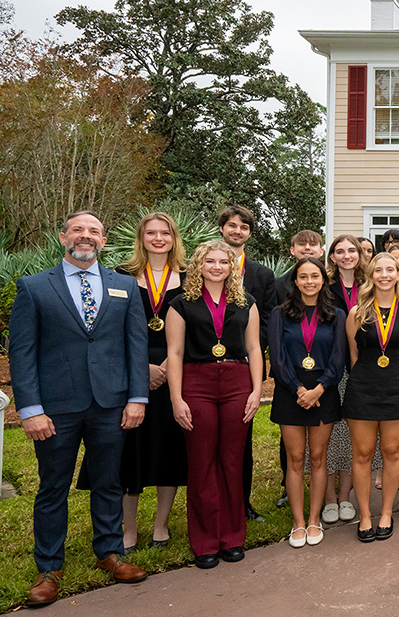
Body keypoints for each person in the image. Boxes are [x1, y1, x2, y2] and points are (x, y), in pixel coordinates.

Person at [11, 211, 151, 606]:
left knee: (107, 481)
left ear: (103, 241)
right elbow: (22, 354)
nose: (85, 236)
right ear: (63, 237)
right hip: (56, 408)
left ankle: (109, 552)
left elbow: (136, 346)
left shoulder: (124, 286)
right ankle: (50, 568)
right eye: (78, 230)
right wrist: (31, 409)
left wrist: (137, 398)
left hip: (111, 403)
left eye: (93, 231)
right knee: (53, 487)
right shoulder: (35, 287)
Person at [75, 212, 188, 554]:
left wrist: (167, 367)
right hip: (129, 373)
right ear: (141, 238)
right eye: (151, 233)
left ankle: (161, 525)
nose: (158, 238)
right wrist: (144, 369)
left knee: (169, 450)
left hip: (176, 371)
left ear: (173, 238)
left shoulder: (187, 278)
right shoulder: (119, 277)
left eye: (164, 233)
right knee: (131, 454)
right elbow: (110, 331)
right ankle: (130, 529)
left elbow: (194, 328)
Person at [166, 239, 263, 568]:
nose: (218, 266)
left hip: (237, 383)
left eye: (224, 261)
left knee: (233, 462)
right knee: (202, 462)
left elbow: (254, 349)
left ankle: (233, 537)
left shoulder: (246, 302)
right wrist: (176, 398)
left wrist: (256, 390)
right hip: (197, 383)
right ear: (199, 265)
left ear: (232, 266)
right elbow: (175, 353)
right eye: (211, 261)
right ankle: (206, 542)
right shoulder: (181, 304)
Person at [268, 257, 346, 548]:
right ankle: (298, 522)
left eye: (315, 276)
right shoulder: (279, 314)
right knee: (296, 459)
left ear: (323, 280)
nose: (309, 281)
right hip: (291, 392)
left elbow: (339, 359)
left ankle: (314, 519)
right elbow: (277, 358)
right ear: (295, 281)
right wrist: (299, 388)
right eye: (303, 277)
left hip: (323, 392)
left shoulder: (336, 315)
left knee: (317, 458)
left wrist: (319, 389)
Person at [342, 252, 399, 543]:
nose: (384, 275)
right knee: (362, 454)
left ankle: (386, 512)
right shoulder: (357, 312)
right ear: (371, 275)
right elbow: (353, 355)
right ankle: (364, 515)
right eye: (379, 270)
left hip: (397, 386)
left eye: (391, 270)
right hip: (363, 388)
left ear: (398, 274)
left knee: (392, 452)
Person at [217, 205, 276, 523]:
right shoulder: (204, 266)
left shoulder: (261, 275)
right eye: (231, 225)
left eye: (243, 227)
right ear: (222, 228)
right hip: (204, 362)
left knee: (242, 440)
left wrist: (251, 351)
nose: (237, 231)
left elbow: (266, 320)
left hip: (243, 362)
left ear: (250, 233)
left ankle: (243, 503)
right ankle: (215, 504)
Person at [322, 235, 374, 524]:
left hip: (364, 368)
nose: (346, 255)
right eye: (339, 251)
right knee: (331, 435)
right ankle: (329, 497)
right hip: (332, 367)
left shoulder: (370, 286)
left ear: (360, 254)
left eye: (351, 250)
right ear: (331, 257)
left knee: (354, 437)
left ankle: (345, 496)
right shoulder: (325, 287)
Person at [274, 230, 325, 304]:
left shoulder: (331, 284)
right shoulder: (278, 285)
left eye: (313, 244)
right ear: (292, 250)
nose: (307, 247)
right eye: (302, 244)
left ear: (321, 251)